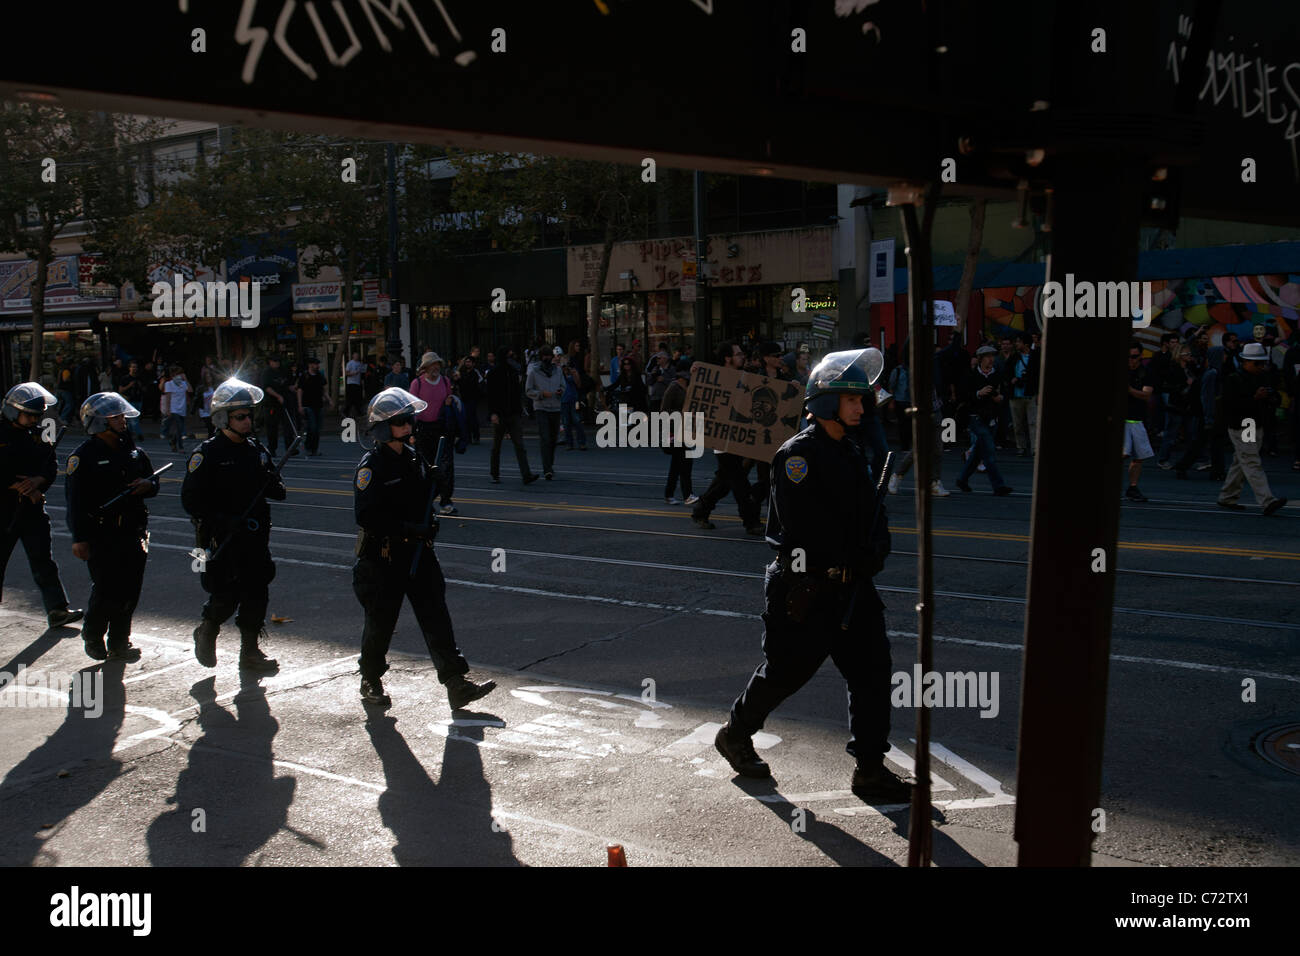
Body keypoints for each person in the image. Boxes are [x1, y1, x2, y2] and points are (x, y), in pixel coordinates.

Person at [713, 348, 912, 805]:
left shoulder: (851, 449)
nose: (862, 408)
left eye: (863, 400)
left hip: (854, 586)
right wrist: (851, 551)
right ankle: (736, 734)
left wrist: (876, 548)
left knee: (873, 673)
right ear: (826, 403)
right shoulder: (798, 456)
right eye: (852, 401)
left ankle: (870, 769)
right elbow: (803, 528)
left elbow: (871, 515)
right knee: (786, 672)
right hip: (808, 587)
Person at [352, 387, 497, 709]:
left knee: (436, 617)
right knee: (381, 623)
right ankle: (370, 679)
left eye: (410, 420)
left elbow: (423, 503)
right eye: (402, 422)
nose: (409, 427)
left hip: (418, 552)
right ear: (383, 427)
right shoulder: (371, 465)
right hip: (384, 557)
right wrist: (407, 528)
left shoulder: (414, 457)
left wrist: (436, 487)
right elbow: (366, 516)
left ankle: (455, 682)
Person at [181, 378, 285, 673]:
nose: (247, 420)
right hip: (221, 537)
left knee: (257, 591)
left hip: (254, 536)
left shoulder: (256, 449)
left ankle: (250, 652)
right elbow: (191, 500)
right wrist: (223, 519)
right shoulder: (208, 453)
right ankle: (208, 628)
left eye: (250, 415)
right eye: (240, 416)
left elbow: (277, 490)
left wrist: (273, 483)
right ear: (223, 419)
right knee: (226, 594)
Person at [64, 392, 159, 661]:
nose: (122, 421)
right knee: (107, 588)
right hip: (101, 534)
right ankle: (93, 634)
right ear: (98, 422)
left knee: (130, 589)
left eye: (121, 415)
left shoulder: (133, 451)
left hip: (133, 531)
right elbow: (75, 503)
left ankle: (120, 640)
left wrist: (147, 485)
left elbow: (153, 482)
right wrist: (79, 538)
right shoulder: (83, 458)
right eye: (115, 417)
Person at [0, 383, 82, 629]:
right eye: (29, 414)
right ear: (13, 411)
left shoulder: (38, 434)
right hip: (3, 511)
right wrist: (15, 485)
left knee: (43, 561)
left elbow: (49, 466)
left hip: (32, 509)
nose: (33, 419)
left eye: (36, 415)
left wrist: (37, 483)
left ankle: (57, 609)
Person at [692, 342, 762, 534]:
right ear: (727, 358)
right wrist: (696, 371)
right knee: (740, 483)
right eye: (738, 354)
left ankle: (701, 509)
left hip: (740, 438)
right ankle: (750, 521)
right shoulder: (715, 377)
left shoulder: (744, 377)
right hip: (723, 440)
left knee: (724, 482)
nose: (742, 357)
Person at [1217, 342, 1288, 515]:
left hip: (1255, 422)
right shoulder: (1234, 379)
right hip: (1244, 423)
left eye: (1262, 363)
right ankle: (1267, 500)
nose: (1261, 366)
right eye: (1257, 363)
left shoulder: (1262, 377)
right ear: (1245, 361)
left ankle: (1228, 496)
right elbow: (1230, 405)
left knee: (1241, 461)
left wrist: (1268, 397)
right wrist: (1255, 398)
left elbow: (1275, 397)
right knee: (1250, 461)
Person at [955, 346, 1013, 495]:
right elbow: (963, 396)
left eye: (992, 356)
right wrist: (978, 393)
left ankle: (962, 479)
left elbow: (1005, 393)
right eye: (987, 357)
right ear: (980, 359)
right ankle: (998, 486)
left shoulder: (998, 375)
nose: (991, 360)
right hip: (976, 417)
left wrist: (1000, 397)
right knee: (989, 451)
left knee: (977, 453)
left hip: (992, 418)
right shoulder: (971, 375)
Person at [409, 352, 461, 515]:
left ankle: (446, 501)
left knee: (446, 466)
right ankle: (427, 501)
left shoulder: (445, 381)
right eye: (432, 364)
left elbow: (449, 403)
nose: (435, 367)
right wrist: (411, 432)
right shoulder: (417, 383)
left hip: (442, 428)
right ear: (425, 368)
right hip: (423, 430)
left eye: (437, 364)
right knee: (427, 467)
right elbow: (411, 409)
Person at [486, 345, 539, 485]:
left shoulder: (513, 372)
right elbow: (490, 395)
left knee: (519, 445)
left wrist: (518, 410)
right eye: (509, 356)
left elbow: (516, 393)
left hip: (512, 413)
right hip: (501, 414)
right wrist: (493, 413)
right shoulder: (495, 373)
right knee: (497, 446)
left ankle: (526, 474)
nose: (512, 358)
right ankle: (495, 473)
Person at [526, 347, 566, 480]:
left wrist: (560, 391)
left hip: (555, 407)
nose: (547, 358)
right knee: (545, 438)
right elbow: (528, 390)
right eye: (545, 356)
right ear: (541, 357)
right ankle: (547, 468)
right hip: (541, 407)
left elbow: (563, 386)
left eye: (549, 356)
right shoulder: (534, 371)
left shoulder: (558, 370)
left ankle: (550, 464)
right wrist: (541, 394)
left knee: (553, 439)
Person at [1123, 341, 1155, 502]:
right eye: (1128, 357)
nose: (1131, 360)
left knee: (1138, 456)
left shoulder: (1145, 372)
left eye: (1134, 356)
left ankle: (1133, 487)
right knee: (1123, 453)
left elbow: (1146, 394)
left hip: (1137, 419)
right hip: (1122, 419)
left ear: (1141, 356)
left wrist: (1129, 390)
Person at [661, 366, 697, 505]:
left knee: (677, 465)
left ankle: (669, 494)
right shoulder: (674, 388)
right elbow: (664, 410)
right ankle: (687, 495)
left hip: (686, 429)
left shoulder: (688, 388)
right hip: (675, 430)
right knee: (685, 463)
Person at [1007, 332, 1040, 457]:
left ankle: (1034, 448)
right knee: (1018, 424)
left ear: (1025, 344)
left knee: (1033, 423)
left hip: (1030, 394)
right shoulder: (1014, 357)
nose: (1016, 344)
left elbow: (1037, 375)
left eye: (1018, 342)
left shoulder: (1035, 356)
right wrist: (1012, 380)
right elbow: (1007, 372)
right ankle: (1021, 447)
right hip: (1016, 394)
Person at [295, 356, 334, 456]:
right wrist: (300, 405)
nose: (317, 366)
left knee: (317, 429)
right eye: (315, 364)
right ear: (310, 365)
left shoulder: (320, 376)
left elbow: (323, 389)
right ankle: (308, 447)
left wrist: (329, 400)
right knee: (312, 428)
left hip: (319, 405)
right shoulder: (304, 376)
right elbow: (300, 391)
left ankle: (314, 449)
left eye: (317, 364)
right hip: (308, 405)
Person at [260, 355, 296, 456]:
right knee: (272, 427)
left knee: (288, 425)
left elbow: (288, 383)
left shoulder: (283, 371)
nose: (277, 363)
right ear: (270, 362)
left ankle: (290, 448)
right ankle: (272, 448)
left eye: (278, 361)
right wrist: (277, 396)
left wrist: (292, 388)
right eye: (275, 361)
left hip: (284, 402)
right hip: (271, 403)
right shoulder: (267, 372)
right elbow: (266, 387)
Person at [560, 350, 588, 452]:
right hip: (563, 400)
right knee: (566, 423)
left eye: (566, 363)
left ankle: (582, 443)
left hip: (574, 399)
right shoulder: (559, 372)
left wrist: (573, 373)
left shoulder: (573, 371)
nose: (565, 365)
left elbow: (579, 385)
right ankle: (569, 443)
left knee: (577, 421)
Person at [163, 365, 192, 453]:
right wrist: (167, 409)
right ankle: (180, 446)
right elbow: (168, 398)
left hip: (182, 408)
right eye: (177, 374)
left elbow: (190, 390)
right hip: (174, 409)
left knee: (179, 428)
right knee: (179, 427)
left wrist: (186, 379)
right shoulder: (168, 384)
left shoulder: (183, 384)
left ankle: (173, 442)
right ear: (173, 375)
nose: (179, 376)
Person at [119, 361, 146, 440]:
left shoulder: (139, 378)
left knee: (133, 419)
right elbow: (120, 390)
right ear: (129, 368)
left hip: (138, 400)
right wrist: (129, 385)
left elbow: (144, 389)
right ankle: (139, 434)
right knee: (133, 419)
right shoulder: (125, 378)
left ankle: (129, 435)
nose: (134, 369)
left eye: (135, 367)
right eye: (133, 367)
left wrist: (140, 386)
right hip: (129, 400)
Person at [344, 352, 366, 421]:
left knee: (357, 398)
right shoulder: (350, 363)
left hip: (357, 383)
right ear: (353, 356)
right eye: (355, 356)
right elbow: (347, 373)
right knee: (351, 398)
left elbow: (362, 372)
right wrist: (354, 373)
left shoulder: (359, 364)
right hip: (351, 383)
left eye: (358, 356)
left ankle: (358, 412)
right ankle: (347, 411)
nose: (357, 357)